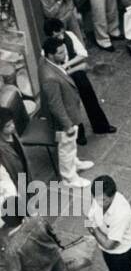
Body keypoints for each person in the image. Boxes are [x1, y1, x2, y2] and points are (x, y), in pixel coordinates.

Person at [43, 17, 115, 138]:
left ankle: (101, 126)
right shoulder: (46, 49)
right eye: (57, 36)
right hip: (63, 78)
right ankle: (79, 134)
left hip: (73, 71)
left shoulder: (69, 35)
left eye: (61, 33)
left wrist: (67, 65)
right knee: (71, 104)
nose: (61, 37)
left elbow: (82, 53)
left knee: (90, 97)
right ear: (50, 36)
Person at [39, 37, 92, 188]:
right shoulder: (50, 78)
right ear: (50, 55)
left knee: (70, 146)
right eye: (61, 53)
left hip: (68, 113)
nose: (65, 55)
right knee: (66, 148)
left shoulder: (45, 62)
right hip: (63, 121)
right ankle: (69, 178)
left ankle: (75, 163)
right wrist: (67, 125)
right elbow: (55, 105)